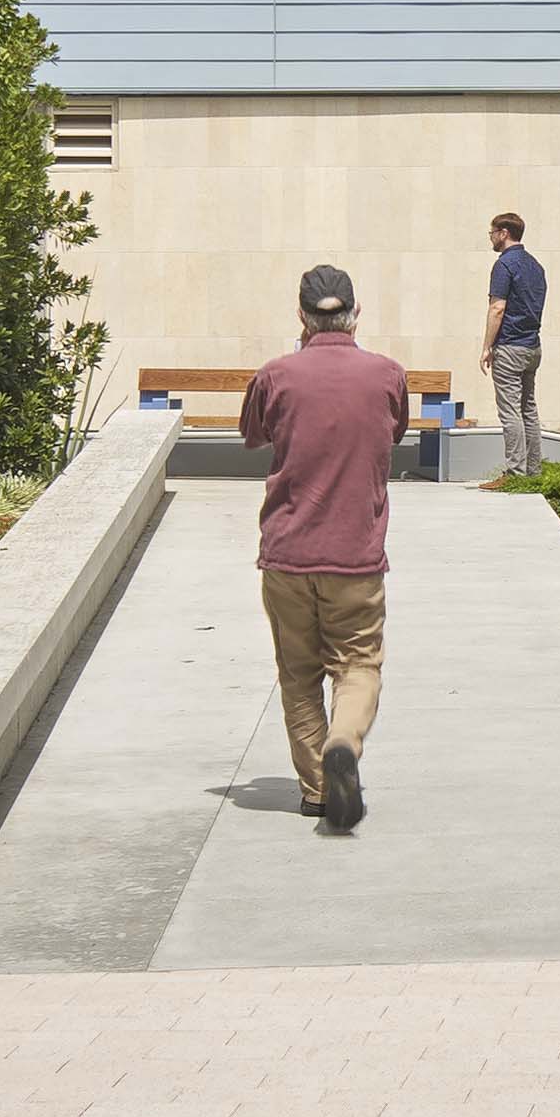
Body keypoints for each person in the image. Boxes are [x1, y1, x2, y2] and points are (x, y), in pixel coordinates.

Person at [240, 262, 402, 834]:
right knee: (358, 665)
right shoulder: (386, 375)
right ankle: (344, 743)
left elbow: (254, 434)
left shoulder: (276, 374)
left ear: (301, 316)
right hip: (356, 555)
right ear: (356, 314)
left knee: (299, 674)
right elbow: (394, 432)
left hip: (286, 553)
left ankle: (315, 792)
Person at [480, 211, 549, 474]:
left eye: (492, 233)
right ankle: (533, 472)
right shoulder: (535, 265)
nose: (491, 238)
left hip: (510, 345)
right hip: (533, 346)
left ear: (503, 233)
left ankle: (515, 473)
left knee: (510, 412)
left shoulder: (504, 265)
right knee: (528, 409)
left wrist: (487, 346)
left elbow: (497, 308)